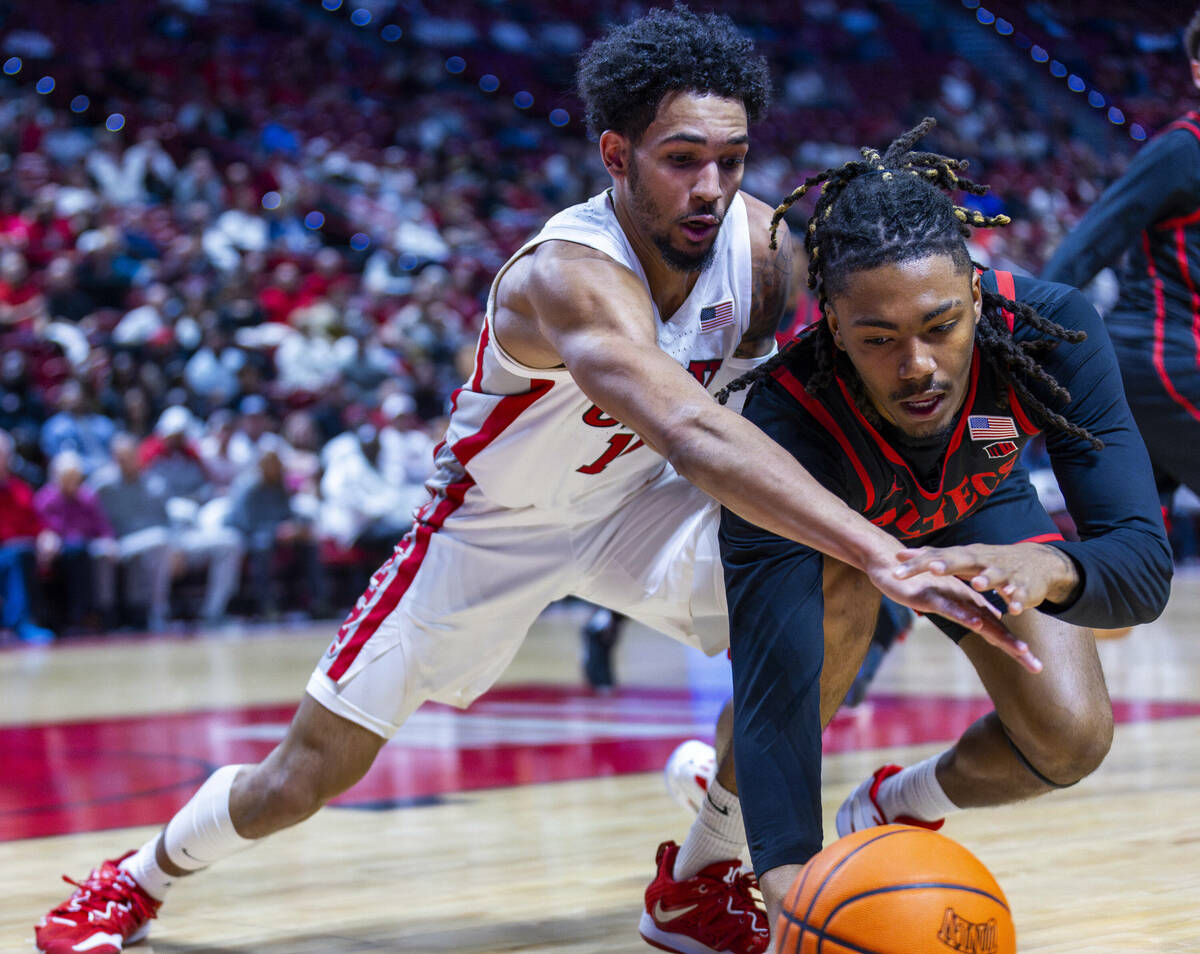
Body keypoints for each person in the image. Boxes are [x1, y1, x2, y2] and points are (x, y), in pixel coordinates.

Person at [34, 12, 1025, 954]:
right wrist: (888, 546)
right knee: (300, 779)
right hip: (490, 528)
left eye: (730, 160)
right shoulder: (566, 275)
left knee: (830, 585)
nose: (711, 187)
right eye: (683, 159)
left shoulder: (764, 256)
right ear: (615, 155)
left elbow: (783, 407)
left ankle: (700, 874)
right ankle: (141, 874)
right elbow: (685, 427)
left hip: (641, 513)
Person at [686, 120, 1171, 934]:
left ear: (976, 294)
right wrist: (796, 899)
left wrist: (1043, 570)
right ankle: (699, 873)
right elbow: (777, 697)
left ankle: (890, 806)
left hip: (977, 511)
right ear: (834, 325)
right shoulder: (782, 423)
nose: (917, 364)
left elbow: (1142, 566)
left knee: (1072, 735)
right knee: (817, 633)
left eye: (940, 326)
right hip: (838, 533)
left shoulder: (1052, 333)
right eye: (879, 339)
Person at [1041, 7, 1200, 503]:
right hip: (1162, 357)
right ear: (1197, 70)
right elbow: (1090, 242)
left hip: (1172, 365)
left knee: (1136, 545)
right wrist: (1029, 328)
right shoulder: (1183, 149)